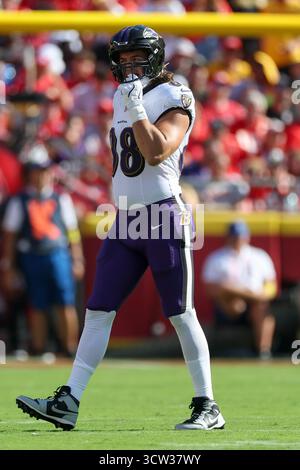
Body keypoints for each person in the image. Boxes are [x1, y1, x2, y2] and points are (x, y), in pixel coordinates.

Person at [16, 25, 225, 432]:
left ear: (157, 57)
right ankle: (69, 400)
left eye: (137, 57)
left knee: (181, 314)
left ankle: (208, 406)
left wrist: (139, 109)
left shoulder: (176, 94)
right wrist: (131, 104)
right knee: (97, 309)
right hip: (125, 216)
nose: (130, 66)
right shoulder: (120, 95)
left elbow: (156, 150)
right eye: (123, 59)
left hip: (163, 214)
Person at [1, 144, 84, 357]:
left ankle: (70, 349)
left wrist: (77, 259)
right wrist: (8, 266)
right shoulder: (20, 201)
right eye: (37, 171)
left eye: (45, 171)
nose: (42, 176)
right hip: (32, 255)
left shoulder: (61, 199)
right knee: (37, 304)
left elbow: (72, 232)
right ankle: (39, 348)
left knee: (65, 302)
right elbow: (10, 236)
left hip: (57, 253)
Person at [202, 220, 277, 359]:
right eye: (234, 236)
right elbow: (211, 289)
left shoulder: (259, 256)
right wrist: (242, 293)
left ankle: (263, 351)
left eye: (240, 236)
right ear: (228, 237)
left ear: (247, 236)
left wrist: (260, 295)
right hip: (228, 303)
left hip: (255, 302)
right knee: (235, 302)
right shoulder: (217, 258)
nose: (238, 240)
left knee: (261, 307)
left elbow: (271, 285)